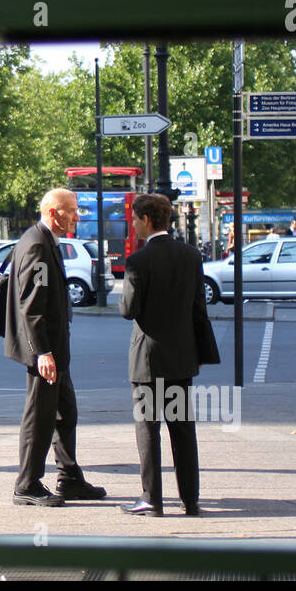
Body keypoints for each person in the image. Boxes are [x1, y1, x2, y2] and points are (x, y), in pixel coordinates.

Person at [5, 188, 104, 507]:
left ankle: (69, 478)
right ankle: (27, 484)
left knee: (65, 413)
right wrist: (43, 352)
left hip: (55, 351)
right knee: (40, 416)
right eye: (72, 210)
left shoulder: (44, 240)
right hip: (45, 352)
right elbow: (31, 307)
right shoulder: (36, 244)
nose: (77, 216)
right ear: (53, 212)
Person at [119, 192, 203, 517]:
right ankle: (190, 499)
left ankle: (151, 499)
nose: (133, 225)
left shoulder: (138, 261)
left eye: (135, 219)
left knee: (148, 428)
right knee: (182, 429)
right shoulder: (190, 256)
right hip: (180, 357)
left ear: (147, 220)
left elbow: (128, 309)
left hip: (148, 359)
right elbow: (198, 309)